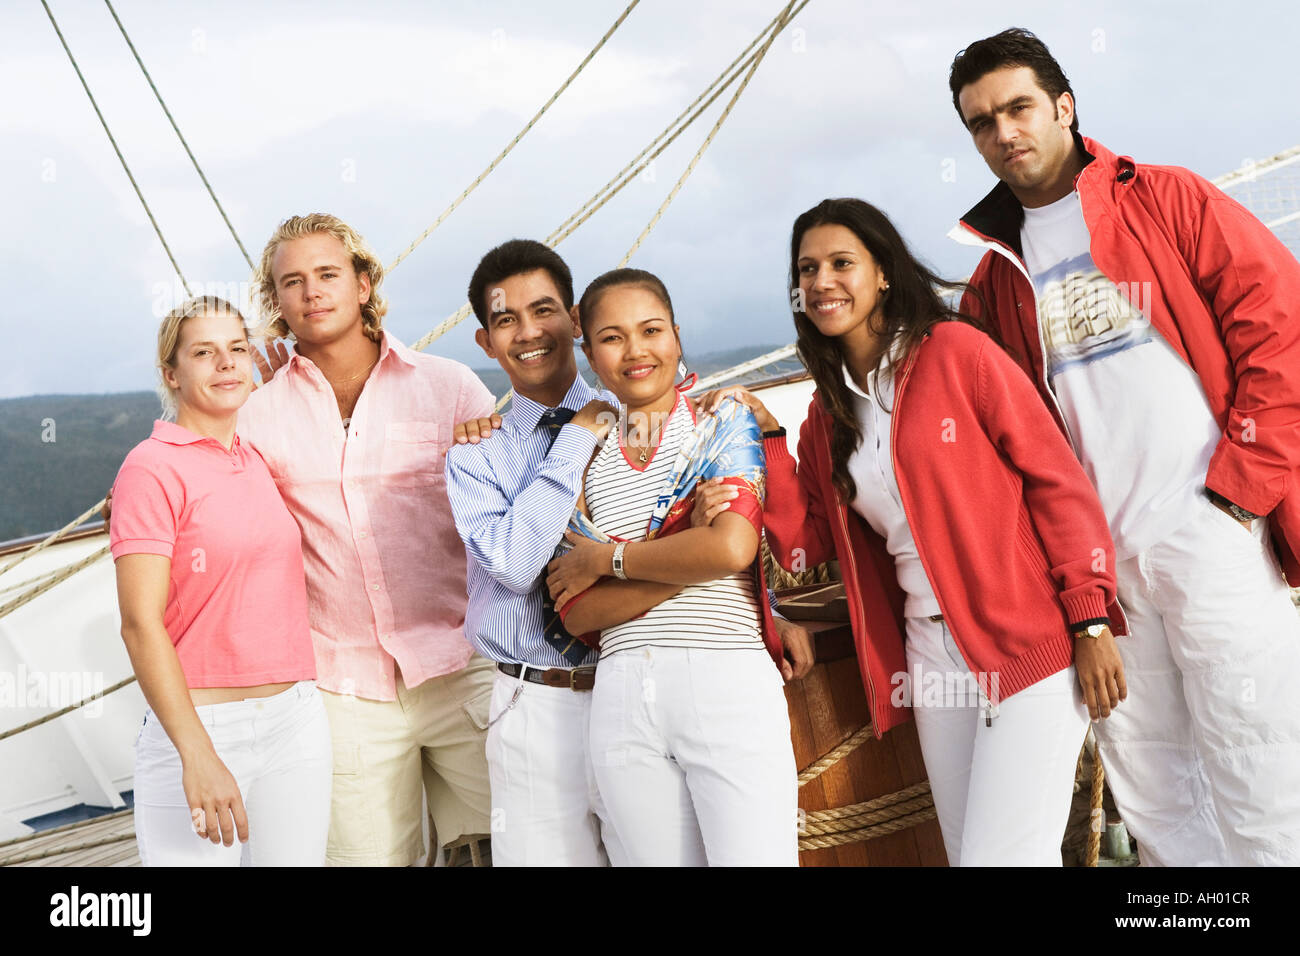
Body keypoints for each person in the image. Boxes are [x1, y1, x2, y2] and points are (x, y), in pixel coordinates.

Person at [947, 28, 1300, 866]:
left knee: (1262, 759)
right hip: (1102, 573)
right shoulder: (994, 279)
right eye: (982, 121)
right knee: (1151, 787)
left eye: (1020, 107)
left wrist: (1239, 493)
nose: (1004, 132)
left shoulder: (1167, 199)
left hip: (1209, 528)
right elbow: (992, 439)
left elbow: (1279, 331)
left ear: (1064, 106)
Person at [703, 199, 1127, 866]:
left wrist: (1091, 619)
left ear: (884, 274)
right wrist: (771, 439)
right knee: (968, 856)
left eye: (842, 263)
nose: (822, 281)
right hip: (930, 661)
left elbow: (1057, 481)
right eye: (807, 269)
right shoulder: (826, 415)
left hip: (1029, 644)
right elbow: (807, 545)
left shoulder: (957, 353)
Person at [241, 214, 497, 866]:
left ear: (362, 283)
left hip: (464, 663)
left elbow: (510, 505)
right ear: (277, 302)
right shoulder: (257, 415)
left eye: (327, 274)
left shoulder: (449, 387)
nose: (311, 292)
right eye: (291, 282)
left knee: (503, 849)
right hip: (342, 690)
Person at [544, 267, 799, 867]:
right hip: (622, 690)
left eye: (651, 330)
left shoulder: (720, 421)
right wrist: (689, 543)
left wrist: (607, 558)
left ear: (678, 337)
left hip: (725, 673)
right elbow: (577, 605)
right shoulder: (579, 451)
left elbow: (732, 550)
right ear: (588, 353)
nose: (636, 351)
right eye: (611, 337)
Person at [110, 296, 330, 866]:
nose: (227, 364)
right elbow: (139, 625)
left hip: (295, 719)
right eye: (204, 353)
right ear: (172, 374)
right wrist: (197, 754)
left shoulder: (255, 457)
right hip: (203, 724)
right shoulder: (150, 467)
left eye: (237, 349)